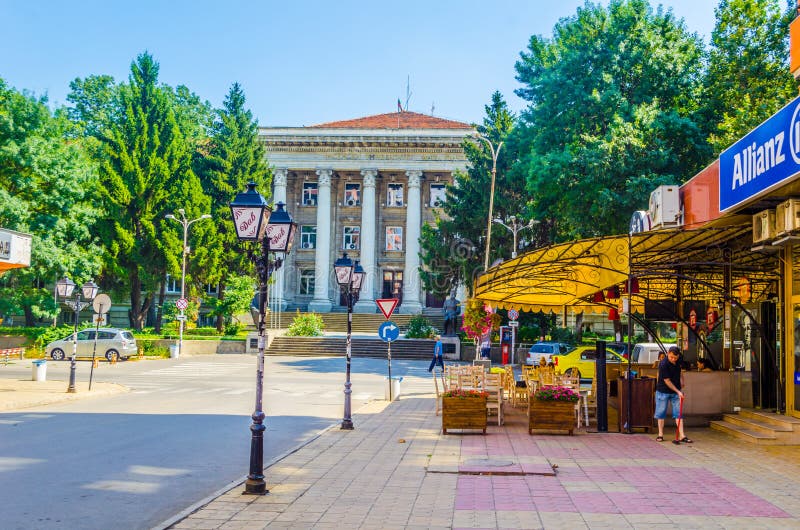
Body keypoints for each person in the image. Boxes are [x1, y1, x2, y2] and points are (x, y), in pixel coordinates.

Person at [655, 345, 692, 444]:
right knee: (661, 413)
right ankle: (660, 434)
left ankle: (682, 435)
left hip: (676, 390)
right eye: (671, 357)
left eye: (675, 358)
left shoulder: (679, 360)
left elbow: (680, 371)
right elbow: (667, 381)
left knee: (678, 414)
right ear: (668, 353)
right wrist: (678, 391)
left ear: (678, 356)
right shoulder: (663, 364)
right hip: (663, 390)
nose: (673, 359)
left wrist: (682, 380)